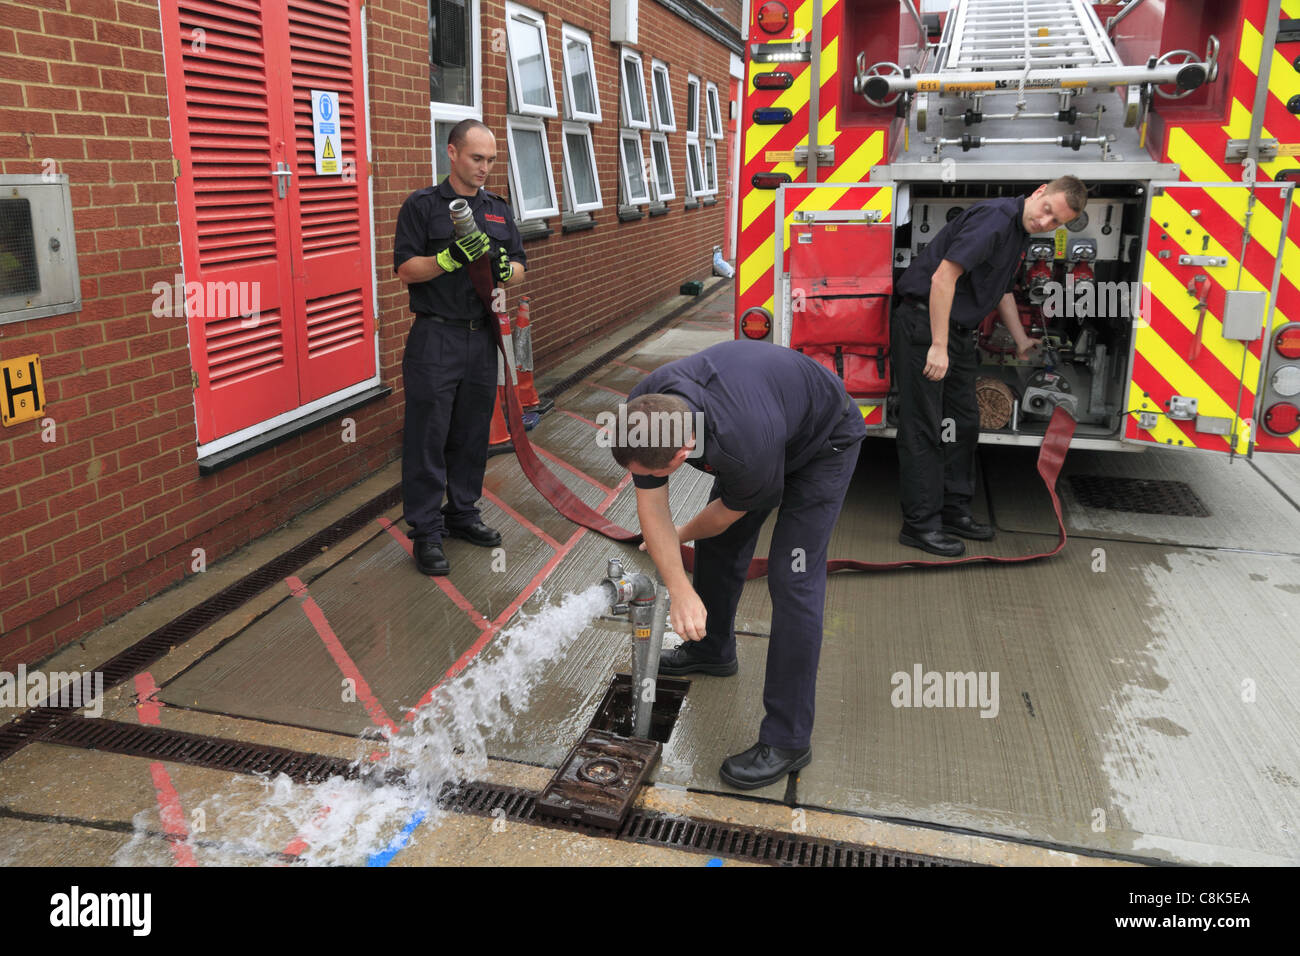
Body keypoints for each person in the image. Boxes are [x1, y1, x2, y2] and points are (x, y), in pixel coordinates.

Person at [609, 340, 867, 789]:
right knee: (723, 547)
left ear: (684, 451)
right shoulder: (647, 411)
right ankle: (712, 650)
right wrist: (678, 583)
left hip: (826, 440)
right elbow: (651, 507)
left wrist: (677, 544)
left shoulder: (743, 448)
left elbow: (724, 515)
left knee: (794, 578)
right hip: (772, 412)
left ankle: (789, 739)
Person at [891, 176, 1086, 556]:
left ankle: (953, 509)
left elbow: (1001, 289)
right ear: (1040, 192)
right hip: (924, 328)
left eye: (1056, 223)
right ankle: (919, 525)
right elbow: (943, 277)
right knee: (924, 427)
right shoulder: (995, 219)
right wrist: (938, 345)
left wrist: (1019, 339)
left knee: (962, 423)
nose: (1046, 223)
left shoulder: (1020, 231)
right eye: (1047, 211)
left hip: (957, 333)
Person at [393, 119, 526, 575]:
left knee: (472, 434)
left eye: (491, 159)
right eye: (476, 158)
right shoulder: (422, 206)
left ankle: (463, 513)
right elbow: (406, 270)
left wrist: (507, 269)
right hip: (436, 335)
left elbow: (522, 266)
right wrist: (448, 259)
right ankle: (427, 532)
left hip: (480, 335)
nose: (485, 167)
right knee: (428, 436)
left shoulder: (497, 209)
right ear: (451, 153)